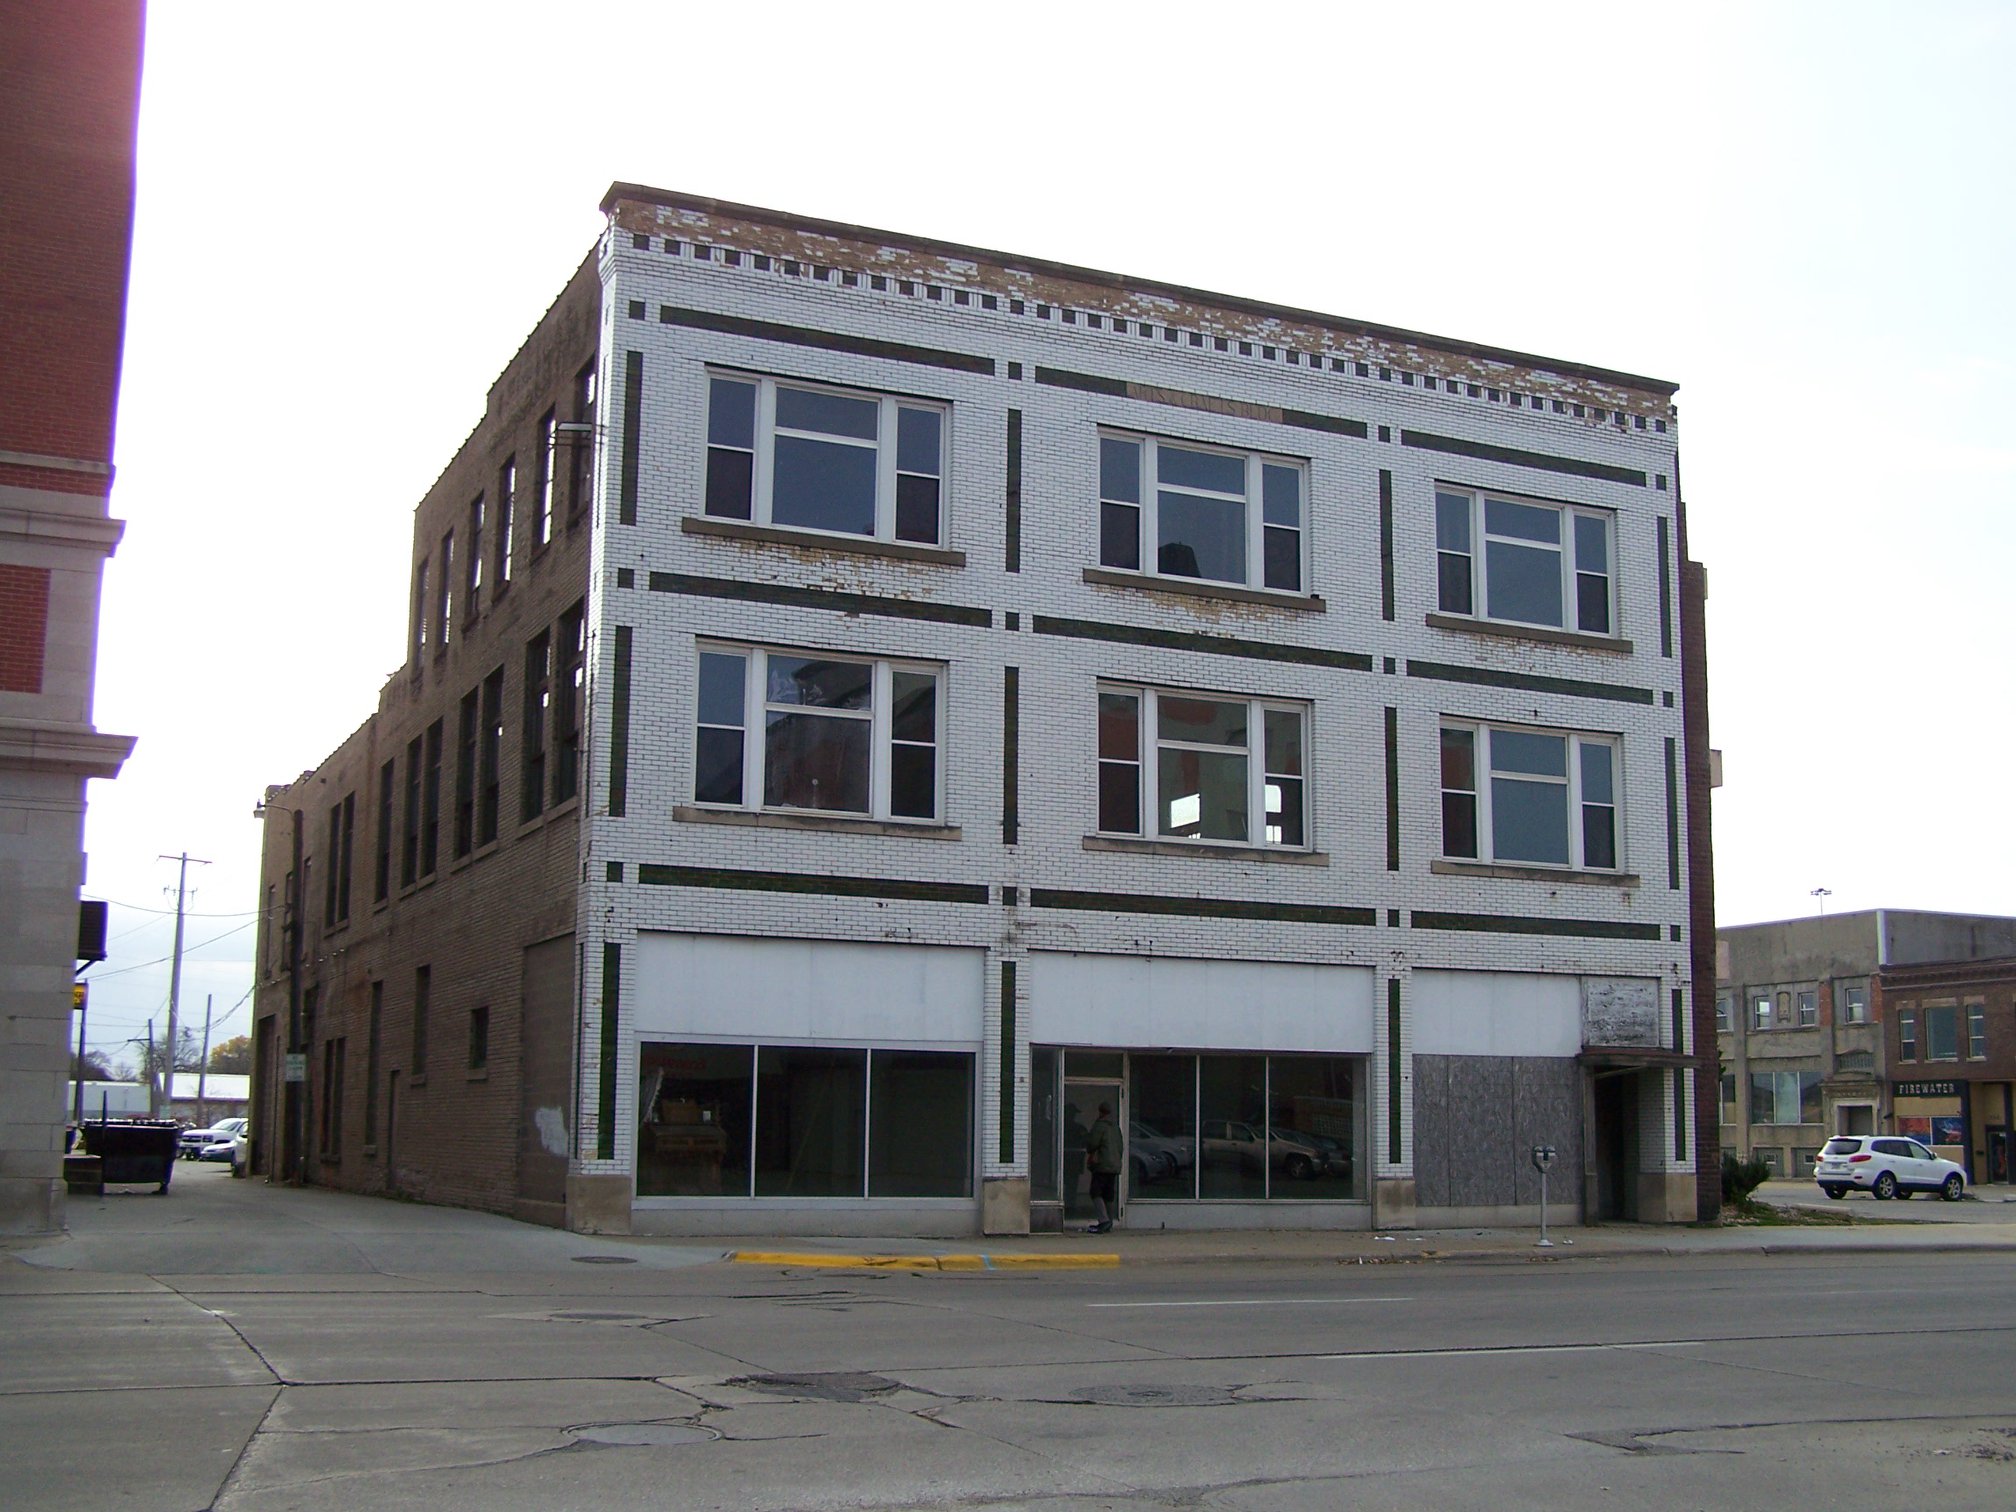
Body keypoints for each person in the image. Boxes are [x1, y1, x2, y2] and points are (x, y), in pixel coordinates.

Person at [1083, 1101, 1123, 1233]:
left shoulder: (1099, 1126)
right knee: (1109, 1193)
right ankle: (1109, 1221)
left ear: (1100, 1112)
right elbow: (1121, 1147)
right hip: (1114, 1166)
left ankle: (1104, 1220)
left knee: (1096, 1191)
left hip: (1101, 1165)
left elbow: (1092, 1144)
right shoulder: (1116, 1127)